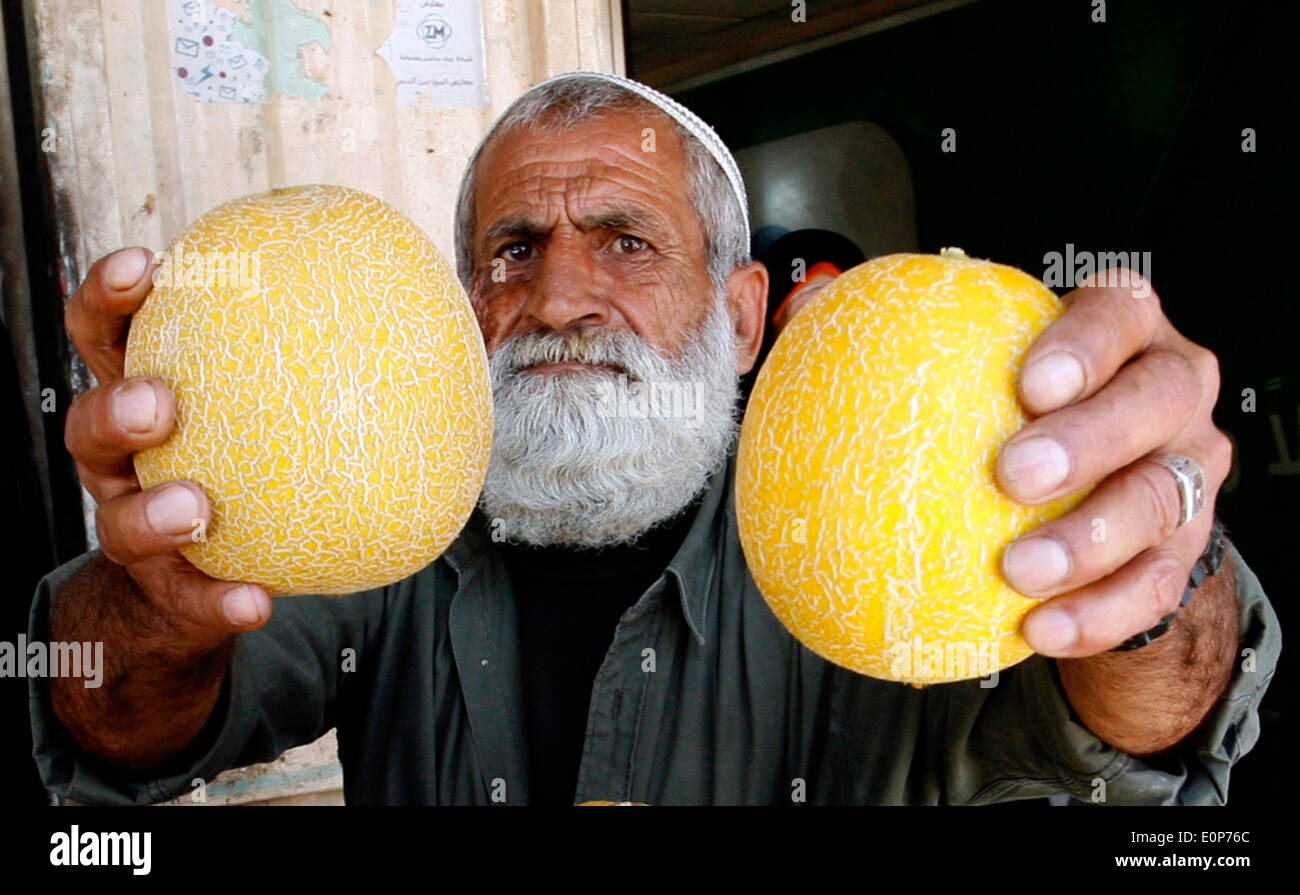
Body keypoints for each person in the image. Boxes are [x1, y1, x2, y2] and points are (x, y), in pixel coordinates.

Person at [31, 71, 1279, 805]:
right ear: (467, 307)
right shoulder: (376, 507)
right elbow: (111, 737)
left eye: (626, 242)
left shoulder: (888, 499)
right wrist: (151, 603)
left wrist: (1153, 578)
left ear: (742, 316)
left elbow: (1139, 747)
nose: (562, 297)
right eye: (514, 250)